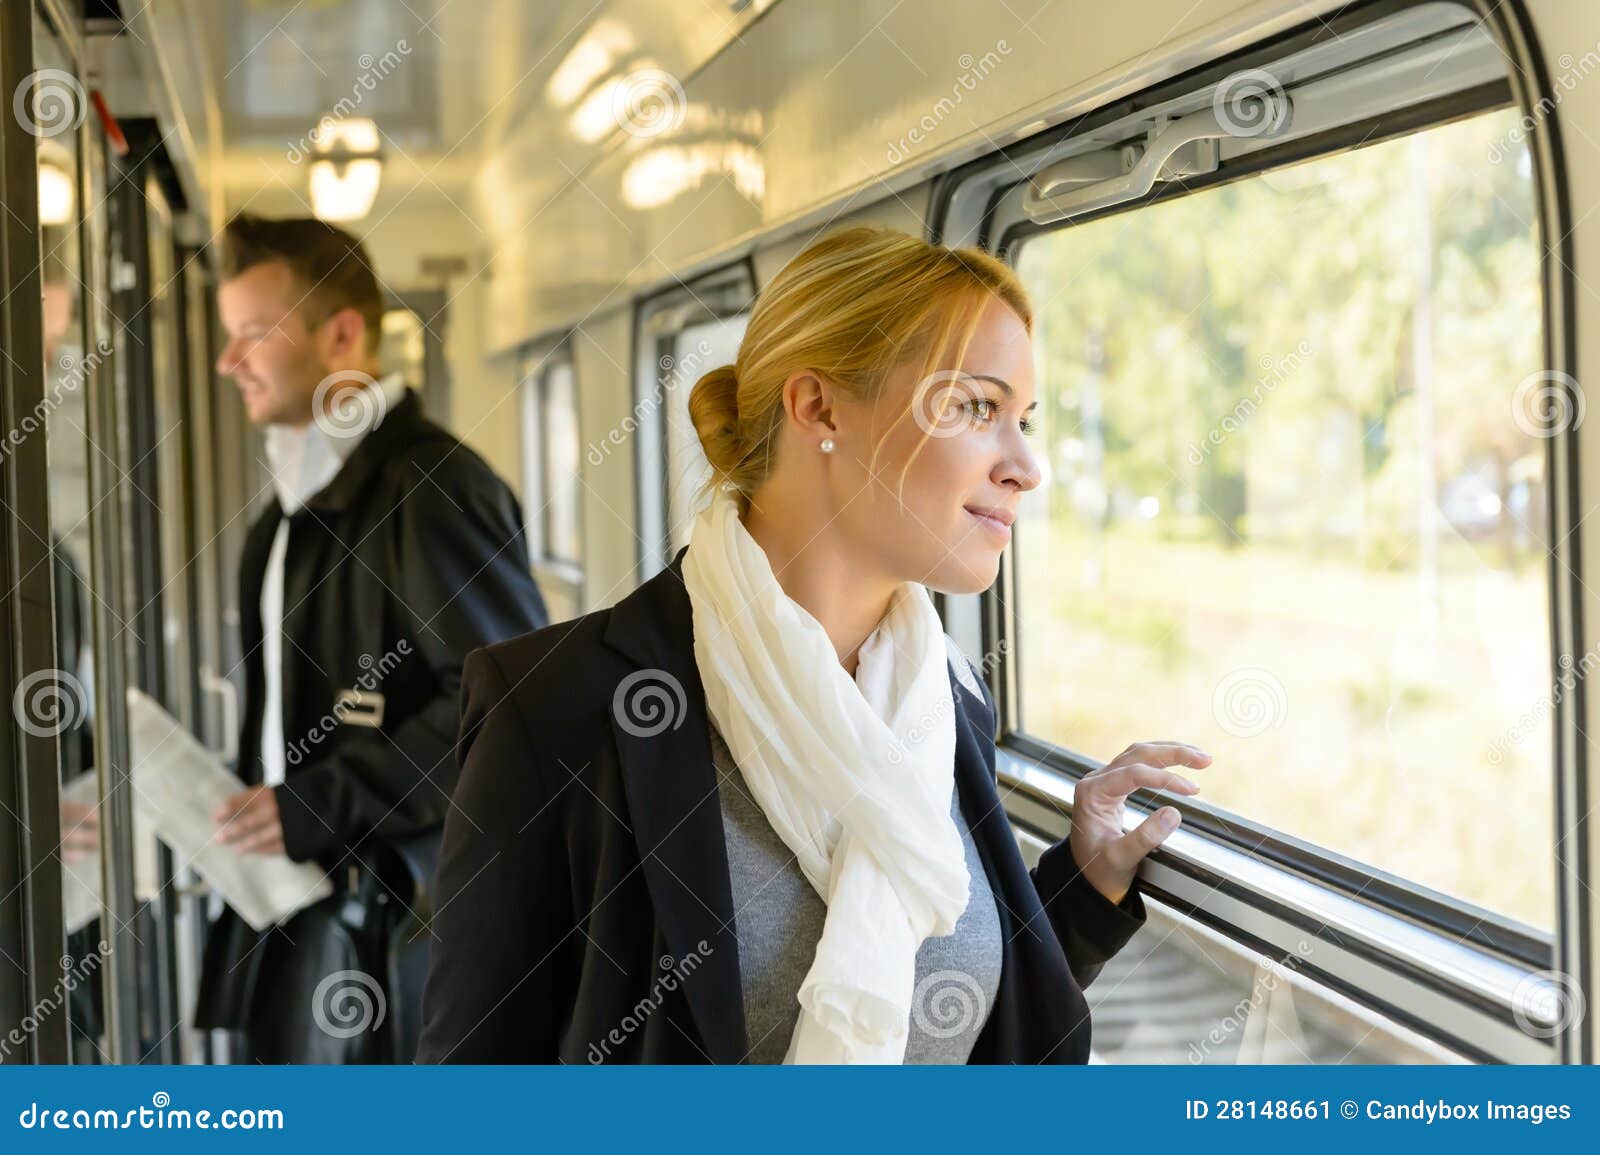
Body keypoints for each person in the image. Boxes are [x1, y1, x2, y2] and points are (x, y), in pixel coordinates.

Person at [416, 226, 1209, 1064]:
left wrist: (1080, 888)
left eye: (1023, 418)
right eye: (976, 406)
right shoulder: (552, 710)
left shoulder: (943, 696)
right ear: (819, 407)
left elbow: (946, 1006)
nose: (1025, 465)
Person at [194, 213, 548, 1063]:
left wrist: (316, 805)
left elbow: (508, 708)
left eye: (250, 335)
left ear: (342, 333)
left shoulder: (434, 487)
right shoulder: (285, 513)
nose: (227, 362)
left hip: (395, 937)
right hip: (293, 908)